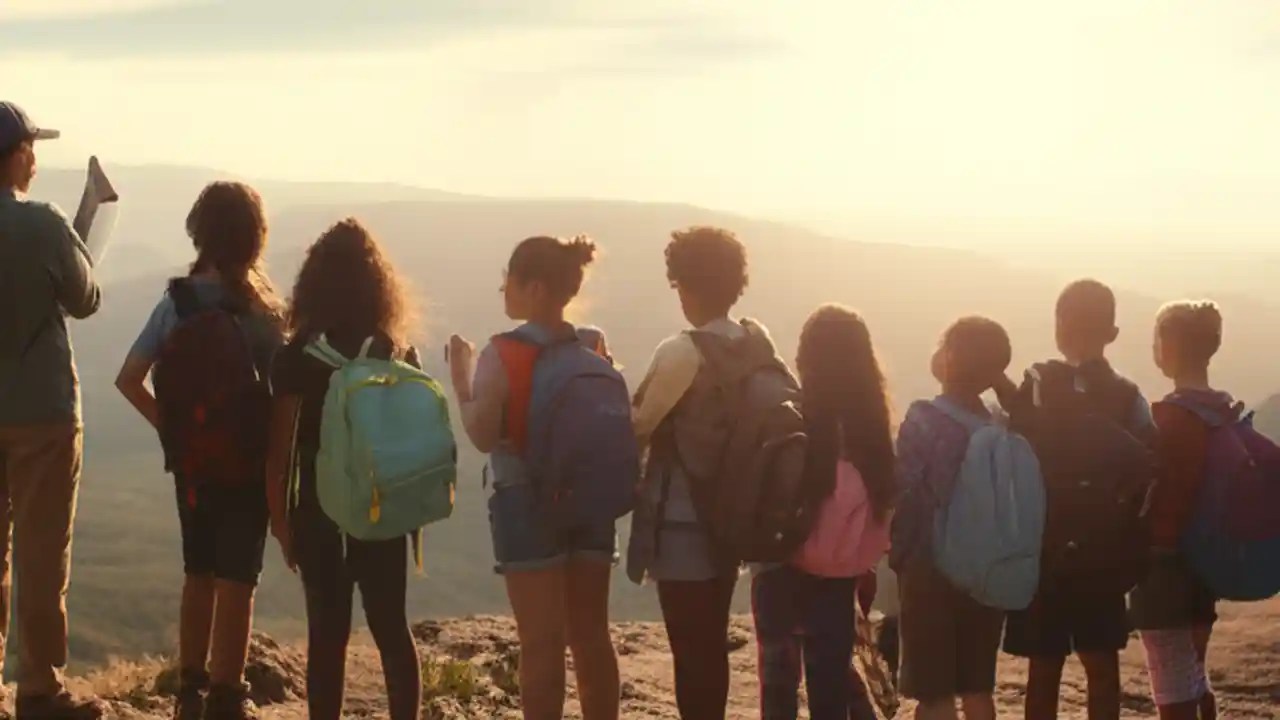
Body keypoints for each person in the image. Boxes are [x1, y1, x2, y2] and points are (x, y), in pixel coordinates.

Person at [116, 182, 284, 720]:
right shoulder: (262, 310)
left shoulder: (178, 302)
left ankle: (188, 689)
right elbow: (284, 396)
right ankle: (226, 697)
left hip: (191, 466)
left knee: (199, 572)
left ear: (200, 232)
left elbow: (129, 378)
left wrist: (173, 431)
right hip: (249, 463)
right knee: (239, 579)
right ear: (253, 239)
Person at [448, 235, 621, 720]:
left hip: (525, 501)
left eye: (510, 279)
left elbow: (483, 433)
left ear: (536, 287)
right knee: (591, 636)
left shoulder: (503, 353)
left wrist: (460, 378)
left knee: (541, 643)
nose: (503, 288)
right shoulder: (592, 343)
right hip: (591, 499)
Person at [265, 218, 424, 720]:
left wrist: (281, 522)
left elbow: (281, 450)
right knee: (392, 630)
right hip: (384, 516)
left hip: (318, 515)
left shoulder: (296, 358)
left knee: (326, 637)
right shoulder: (398, 354)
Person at [625, 226, 771, 720]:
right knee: (711, 642)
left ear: (684, 286)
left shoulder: (681, 352)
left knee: (690, 650)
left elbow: (637, 426)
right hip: (736, 519)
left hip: (683, 523)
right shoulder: (756, 346)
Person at [997, 280, 1155, 720]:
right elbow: (1148, 457)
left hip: (1046, 545)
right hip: (1103, 551)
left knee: (1043, 669)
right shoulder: (1128, 394)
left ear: (1058, 327)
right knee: (1102, 666)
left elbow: (1017, 437)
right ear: (1114, 332)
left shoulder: (1039, 380)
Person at [0, 101, 105, 720]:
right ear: (16, 156)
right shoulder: (43, 222)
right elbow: (85, 299)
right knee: (41, 554)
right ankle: (39, 689)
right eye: (31, 148)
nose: (36, 159)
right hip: (42, 409)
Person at [751, 305, 896, 720]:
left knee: (778, 683)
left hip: (783, 563)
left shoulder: (796, 418)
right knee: (828, 684)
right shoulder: (871, 428)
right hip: (838, 577)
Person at [892, 317, 1012, 720]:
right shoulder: (1002, 424)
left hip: (930, 570)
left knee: (934, 693)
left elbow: (905, 495)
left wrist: (899, 560)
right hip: (987, 573)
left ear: (947, 359)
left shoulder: (923, 418)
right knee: (978, 687)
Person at [1129, 301, 1225, 720]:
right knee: (1193, 674)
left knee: (1173, 689)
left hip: (1164, 562)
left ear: (1166, 347)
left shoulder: (1164, 418)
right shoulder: (1226, 412)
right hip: (1209, 559)